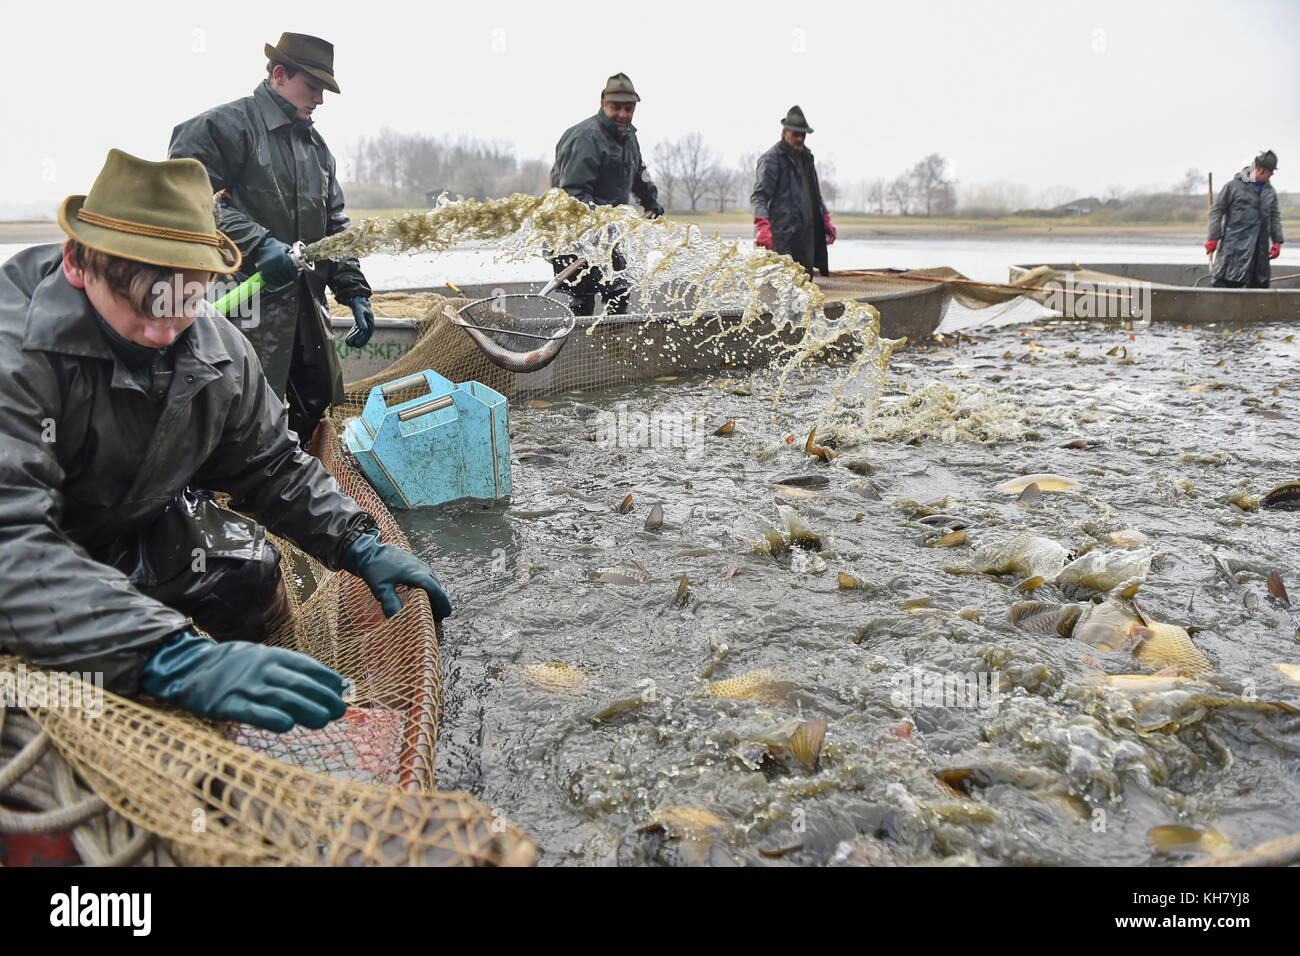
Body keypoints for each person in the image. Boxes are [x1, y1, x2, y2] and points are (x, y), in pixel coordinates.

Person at [0, 149, 451, 733]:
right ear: (77, 265)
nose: (164, 332)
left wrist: (356, 541)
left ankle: (241, 736)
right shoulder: (15, 354)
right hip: (31, 544)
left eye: (185, 303)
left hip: (131, 522)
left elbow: (269, 468)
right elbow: (12, 542)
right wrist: (168, 655)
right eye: (140, 309)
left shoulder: (218, 349)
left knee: (250, 572)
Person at [169, 32, 374, 446]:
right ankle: (215, 492)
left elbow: (335, 223)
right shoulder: (223, 126)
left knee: (313, 399)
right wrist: (259, 244)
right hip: (240, 303)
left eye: (324, 89)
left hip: (304, 307)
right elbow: (186, 198)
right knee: (231, 408)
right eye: (312, 86)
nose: (319, 98)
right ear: (280, 74)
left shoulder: (317, 147)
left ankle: (286, 485)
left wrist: (353, 288)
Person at [549, 72, 664, 316]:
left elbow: (638, 173)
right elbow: (572, 196)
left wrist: (650, 200)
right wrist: (601, 224)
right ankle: (580, 347)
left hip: (607, 236)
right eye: (616, 107)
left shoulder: (628, 137)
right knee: (584, 297)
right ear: (603, 104)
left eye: (629, 108)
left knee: (619, 291)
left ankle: (612, 346)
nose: (623, 114)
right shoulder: (585, 138)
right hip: (576, 235)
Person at [751, 106, 836, 278]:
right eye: (795, 134)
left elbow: (815, 194)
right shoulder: (771, 159)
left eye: (802, 135)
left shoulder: (807, 157)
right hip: (781, 238)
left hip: (806, 238)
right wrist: (762, 226)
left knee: (806, 284)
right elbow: (759, 196)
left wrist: (825, 217)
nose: (799, 138)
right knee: (780, 285)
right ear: (784, 132)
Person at [1205, 150, 1284, 288]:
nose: (1272, 174)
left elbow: (1274, 217)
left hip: (1259, 251)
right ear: (1260, 169)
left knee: (1259, 283)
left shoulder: (1269, 191)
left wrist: (1277, 241)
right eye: (1270, 172)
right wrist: (1213, 237)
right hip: (1233, 247)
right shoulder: (1232, 187)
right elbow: (1216, 211)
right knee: (1228, 280)